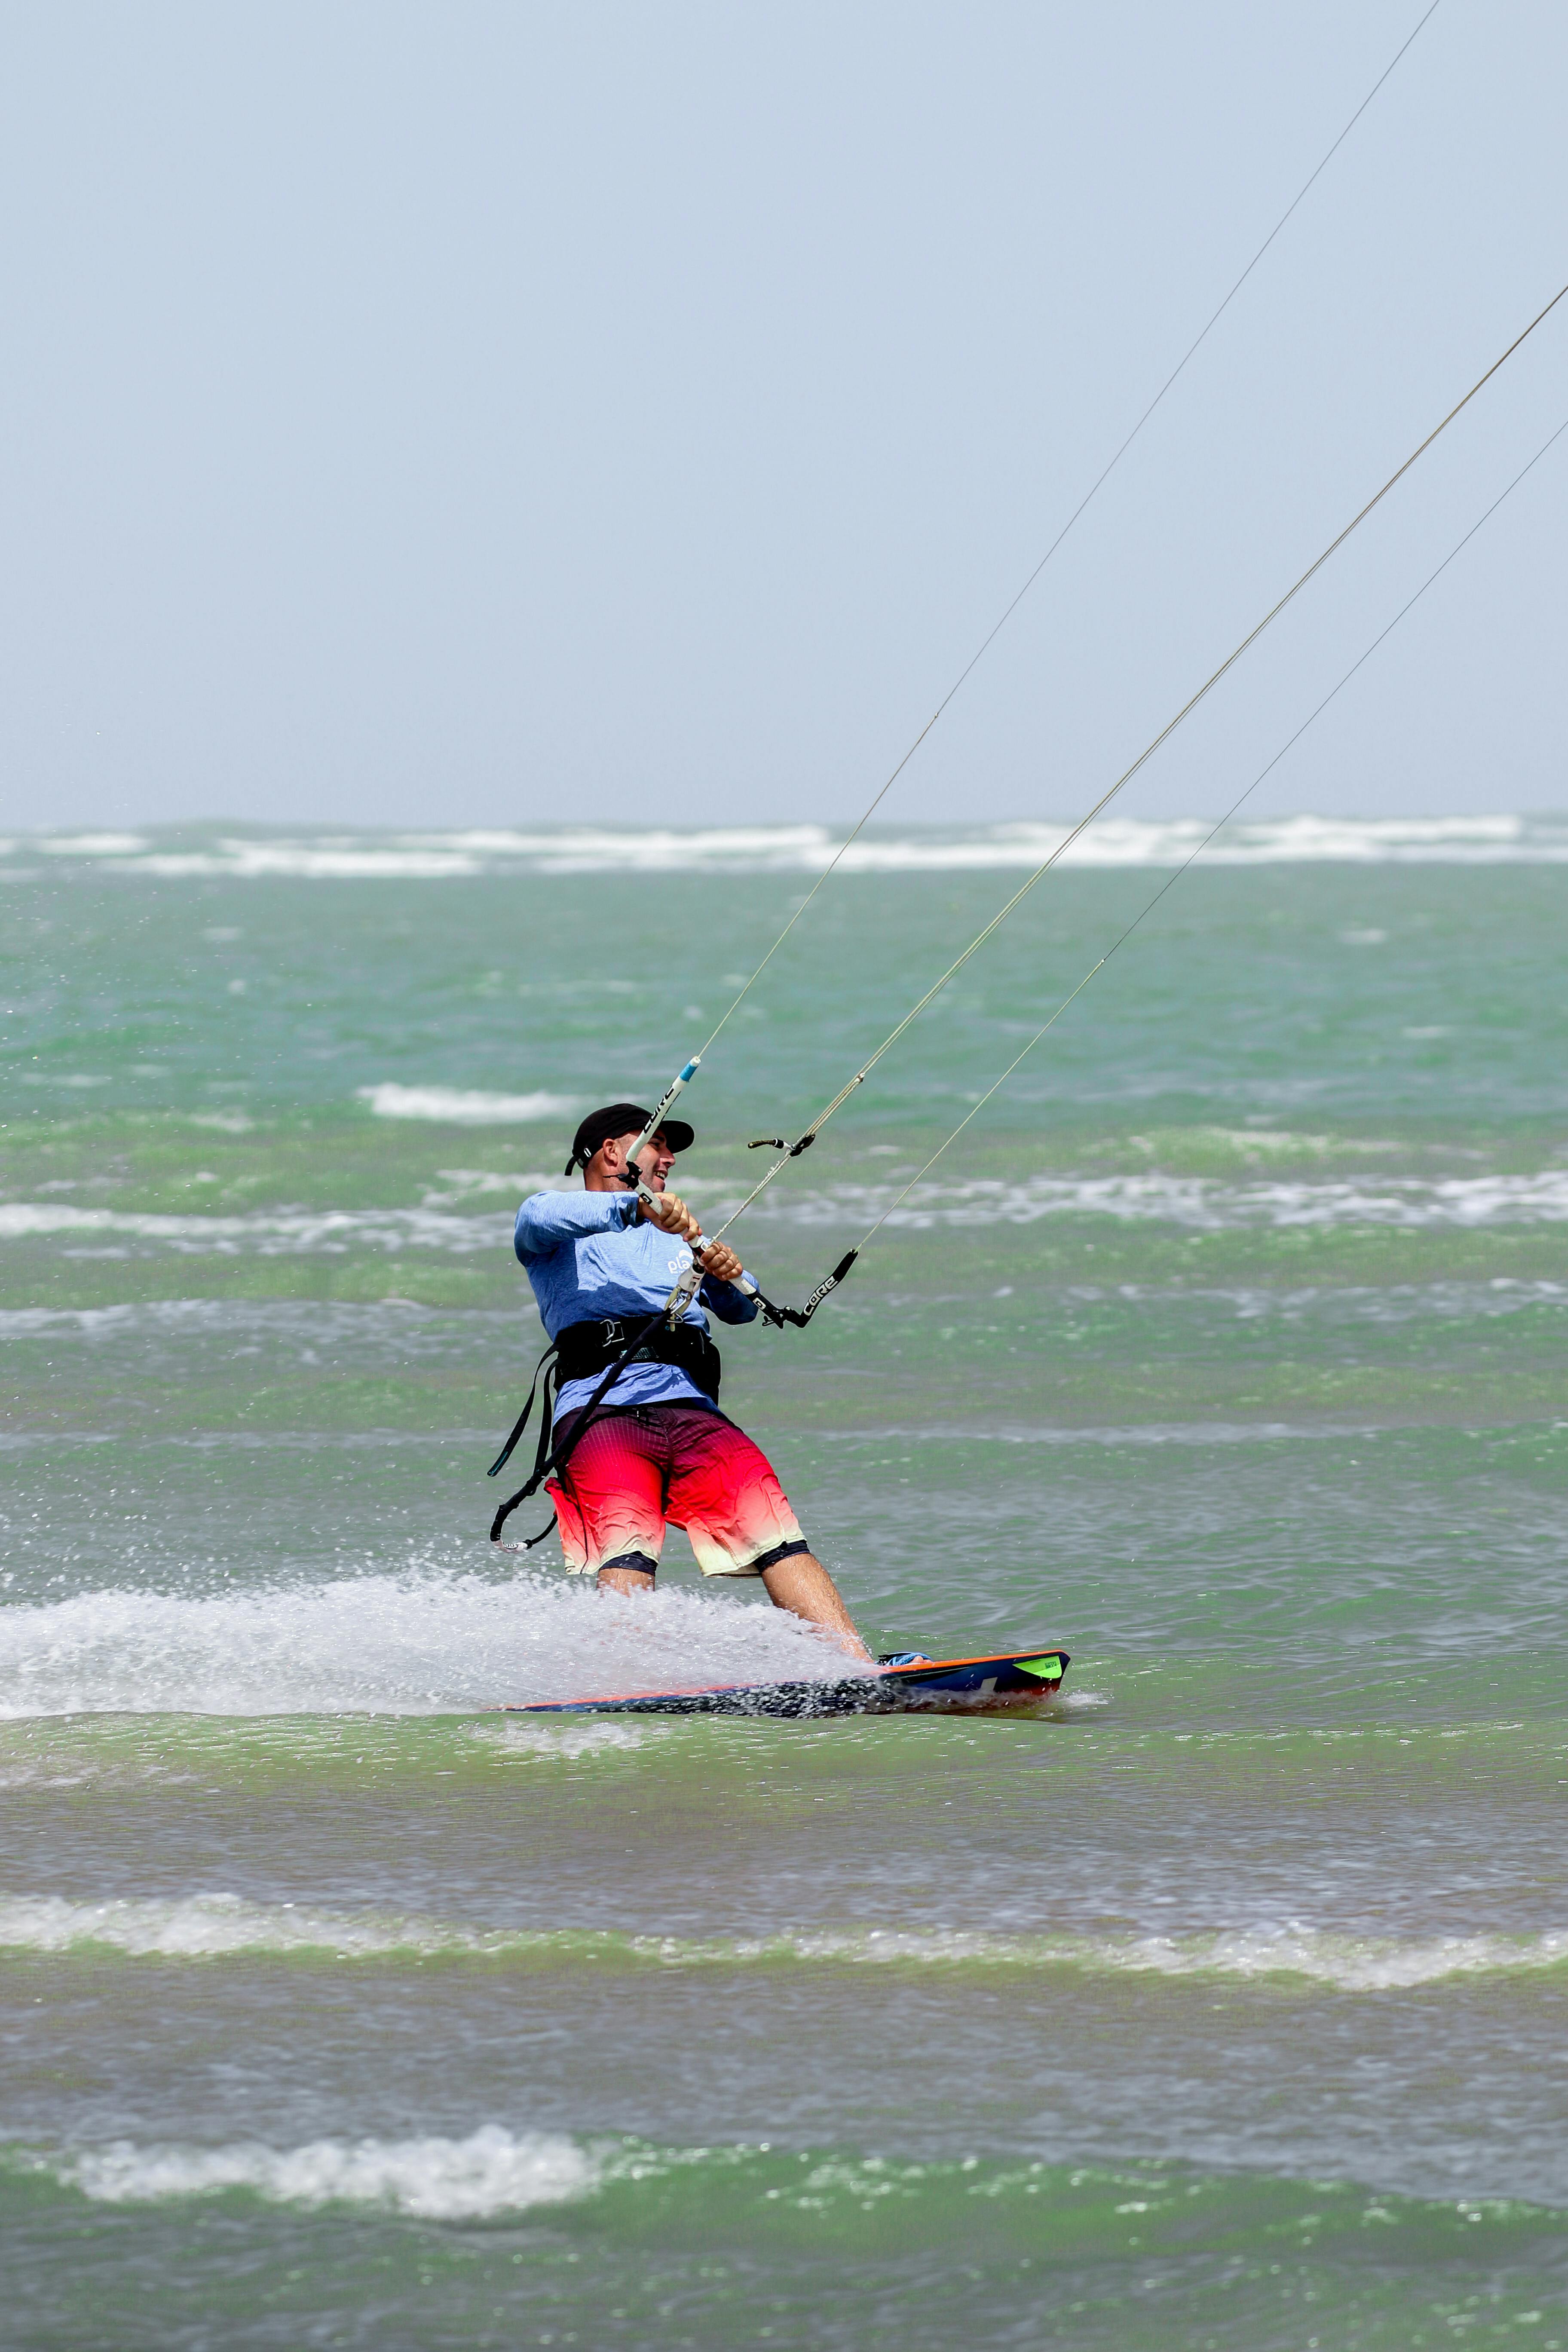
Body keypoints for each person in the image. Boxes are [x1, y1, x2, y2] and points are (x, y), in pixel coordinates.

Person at [512, 1102, 869, 1657]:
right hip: (602, 1412)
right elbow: (538, 1221)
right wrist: (640, 1208)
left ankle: (856, 1671)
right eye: (659, 1145)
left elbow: (744, 1309)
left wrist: (724, 1272)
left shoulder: (682, 1236)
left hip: (691, 1411)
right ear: (615, 1151)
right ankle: (628, 1681)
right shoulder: (551, 1221)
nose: (671, 1159)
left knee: (780, 1538)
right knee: (628, 1551)